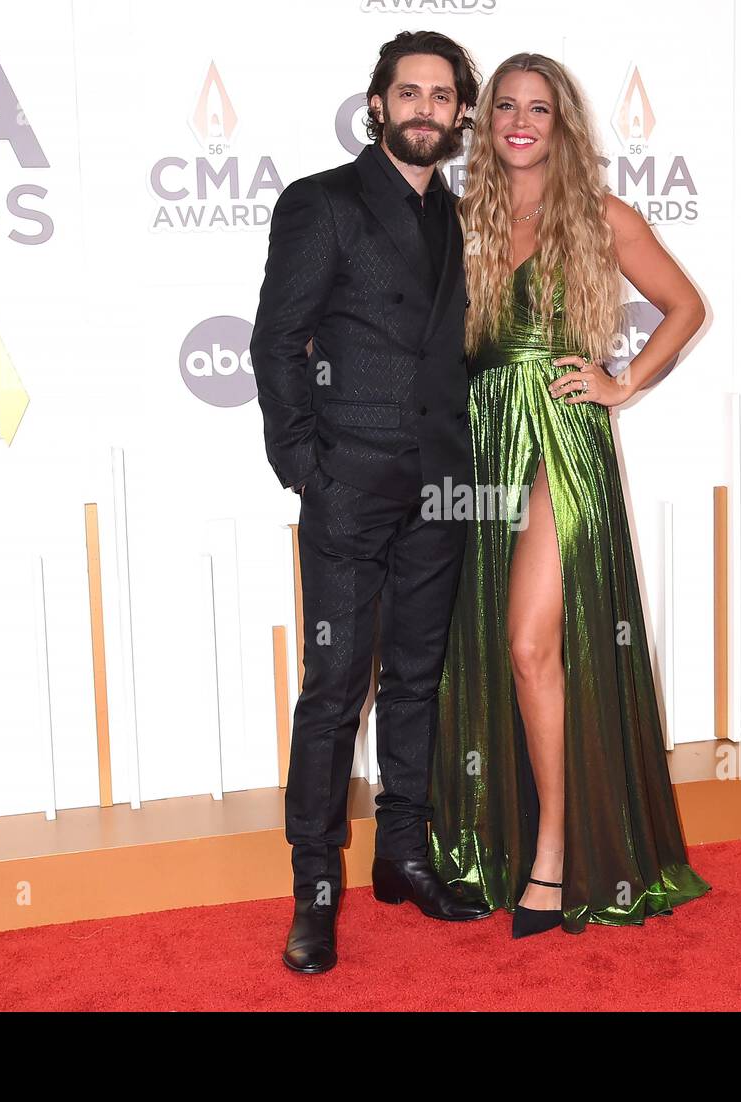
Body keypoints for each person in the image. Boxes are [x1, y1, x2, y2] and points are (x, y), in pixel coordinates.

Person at [428, 53, 712, 938]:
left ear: (564, 123)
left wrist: (624, 383)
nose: (521, 121)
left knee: (527, 640)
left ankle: (554, 851)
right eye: (505, 107)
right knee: (480, 644)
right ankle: (496, 841)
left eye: (539, 108)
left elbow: (685, 306)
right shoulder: (456, 218)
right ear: (483, 123)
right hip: (480, 440)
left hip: (559, 435)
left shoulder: (599, 214)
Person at [250, 30, 491, 975]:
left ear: (459, 114)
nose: (425, 108)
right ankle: (315, 891)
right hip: (351, 485)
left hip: (442, 482)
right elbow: (278, 342)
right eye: (409, 92)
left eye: (442, 96)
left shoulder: (460, 218)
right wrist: (307, 465)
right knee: (333, 692)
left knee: (419, 679)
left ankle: (403, 856)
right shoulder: (323, 204)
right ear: (378, 102)